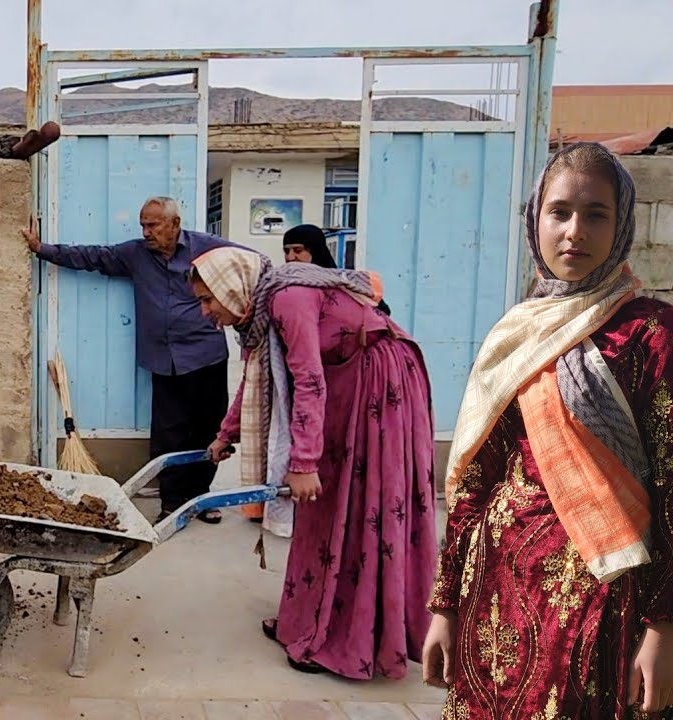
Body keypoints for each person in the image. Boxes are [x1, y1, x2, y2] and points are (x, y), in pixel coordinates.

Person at [423, 143, 673, 717]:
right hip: (496, 590)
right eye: (559, 212)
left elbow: (670, 489)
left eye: (596, 214)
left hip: (600, 595)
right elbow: (476, 483)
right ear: (535, 221)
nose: (574, 232)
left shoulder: (650, 336)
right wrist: (446, 606)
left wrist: (664, 626)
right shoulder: (517, 334)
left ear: (623, 222)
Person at [191, 245, 436, 679]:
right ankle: (305, 623)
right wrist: (224, 436)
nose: (205, 312)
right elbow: (254, 381)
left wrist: (303, 463)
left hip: (377, 388)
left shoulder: (287, 299)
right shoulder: (260, 315)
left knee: (360, 510)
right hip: (345, 386)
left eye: (207, 300)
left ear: (232, 288)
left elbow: (308, 379)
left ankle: (348, 640)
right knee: (323, 513)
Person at [23, 197, 240, 522]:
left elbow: (250, 262)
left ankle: (201, 498)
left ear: (175, 224)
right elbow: (93, 256)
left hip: (206, 354)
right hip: (164, 360)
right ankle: (172, 501)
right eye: (143, 225)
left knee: (209, 430)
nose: (146, 231)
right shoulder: (135, 253)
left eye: (153, 225)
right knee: (170, 432)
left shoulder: (206, 247)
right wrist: (43, 248)